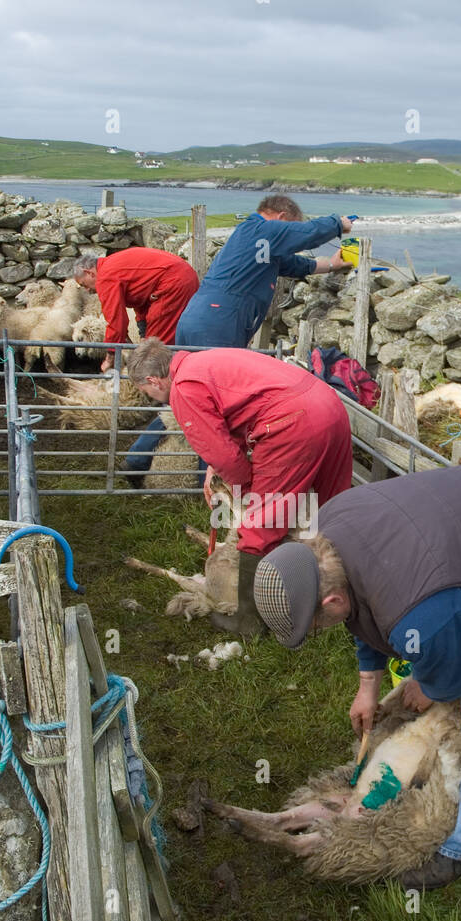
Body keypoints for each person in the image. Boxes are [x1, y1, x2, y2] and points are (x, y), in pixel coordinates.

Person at [250, 464, 461, 890]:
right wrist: (368, 685)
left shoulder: (419, 607)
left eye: (318, 624)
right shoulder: (327, 538)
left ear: (331, 598)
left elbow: (450, 673)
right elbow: (364, 608)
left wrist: (427, 686)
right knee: (441, 636)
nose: (323, 630)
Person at [127, 338, 354, 633]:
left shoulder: (183, 389)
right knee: (327, 508)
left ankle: (249, 619)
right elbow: (230, 421)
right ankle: (347, 599)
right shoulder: (204, 360)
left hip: (291, 423)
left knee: (260, 524)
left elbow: (231, 463)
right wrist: (214, 466)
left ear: (153, 380)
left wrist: (247, 494)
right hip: (329, 408)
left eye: (147, 393)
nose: (153, 399)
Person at [174, 195, 354, 350]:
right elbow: (307, 233)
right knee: (218, 384)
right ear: (281, 218)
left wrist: (331, 264)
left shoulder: (258, 242)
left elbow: (295, 264)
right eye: (289, 228)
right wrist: (338, 223)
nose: (288, 238)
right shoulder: (262, 228)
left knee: (190, 383)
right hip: (218, 322)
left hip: (198, 317)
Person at [73, 249, 199, 371]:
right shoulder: (112, 266)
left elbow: (116, 321)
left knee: (155, 351)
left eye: (84, 284)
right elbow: (141, 300)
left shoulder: (105, 277)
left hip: (174, 283)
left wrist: (110, 356)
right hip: (183, 276)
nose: (87, 290)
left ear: (89, 272)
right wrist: (143, 334)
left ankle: (165, 385)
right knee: (171, 340)